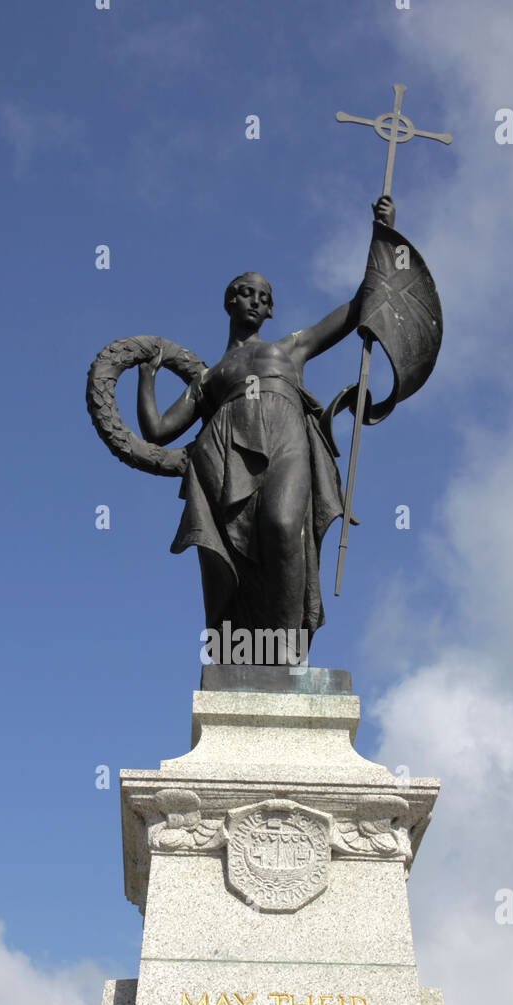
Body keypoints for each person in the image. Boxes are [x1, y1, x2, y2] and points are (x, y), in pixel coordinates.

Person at [136, 195, 397, 661]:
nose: (256, 300)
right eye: (247, 292)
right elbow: (157, 432)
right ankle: (256, 652)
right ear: (229, 300)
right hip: (229, 454)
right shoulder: (209, 378)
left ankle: (288, 653)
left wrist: (382, 236)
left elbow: (358, 306)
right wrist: (147, 375)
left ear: (271, 310)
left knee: (282, 524)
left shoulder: (288, 349)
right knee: (244, 550)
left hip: (286, 437)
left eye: (265, 297)